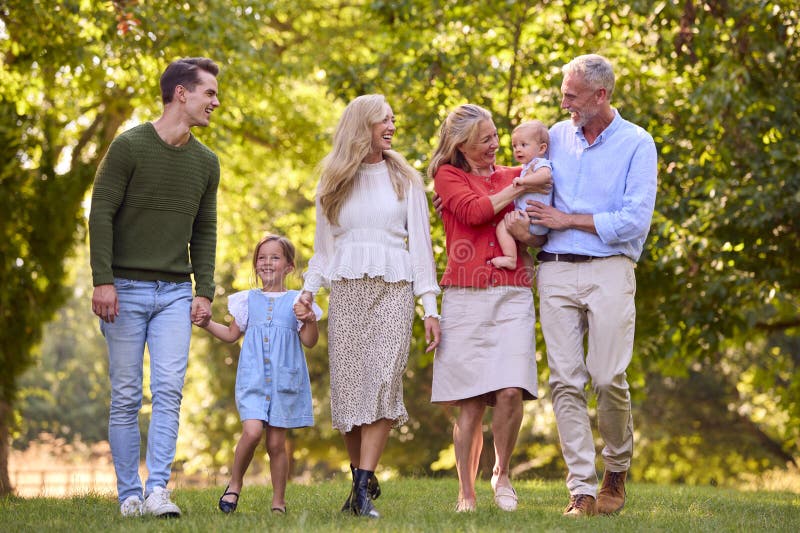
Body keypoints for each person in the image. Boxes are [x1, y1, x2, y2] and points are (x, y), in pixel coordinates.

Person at [509, 54, 658, 517]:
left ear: (601, 95)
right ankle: (582, 490)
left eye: (571, 95)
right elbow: (524, 187)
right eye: (563, 93)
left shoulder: (637, 143)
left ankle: (616, 469)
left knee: (608, 376)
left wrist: (568, 219)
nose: (563, 101)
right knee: (565, 382)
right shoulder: (552, 137)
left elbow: (634, 220)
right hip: (554, 268)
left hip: (611, 268)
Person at [88, 57, 221, 518]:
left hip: (174, 294)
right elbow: (100, 214)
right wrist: (102, 280)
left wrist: (204, 289)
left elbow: (205, 229)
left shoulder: (207, 162)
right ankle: (129, 496)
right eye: (209, 92)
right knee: (126, 394)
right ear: (181, 93)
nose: (216, 102)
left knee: (169, 390)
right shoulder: (128, 147)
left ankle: (158, 489)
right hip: (123, 288)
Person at [299, 94, 441, 519]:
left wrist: (429, 307)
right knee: (349, 389)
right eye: (384, 120)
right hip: (346, 290)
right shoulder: (333, 180)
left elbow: (422, 247)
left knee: (382, 378)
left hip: (394, 288)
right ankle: (359, 484)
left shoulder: (406, 179)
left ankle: (361, 487)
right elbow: (323, 249)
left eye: (393, 119)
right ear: (362, 126)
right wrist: (308, 291)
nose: (391, 126)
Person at [427, 104, 552, 513]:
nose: (497, 145)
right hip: (465, 295)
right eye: (486, 140)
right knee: (470, 401)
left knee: (512, 391)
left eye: (497, 136)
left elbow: (546, 185)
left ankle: (502, 473)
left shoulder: (510, 173)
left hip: (513, 291)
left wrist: (527, 233)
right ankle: (466, 491)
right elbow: (475, 211)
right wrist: (521, 186)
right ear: (460, 144)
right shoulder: (449, 176)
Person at [197, 234, 320, 515]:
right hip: (252, 381)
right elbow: (231, 335)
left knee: (277, 443)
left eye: (275, 257)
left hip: (283, 383)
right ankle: (235, 483)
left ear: (288, 266)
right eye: (262, 258)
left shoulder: (297, 301)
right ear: (255, 265)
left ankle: (279, 501)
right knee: (252, 433)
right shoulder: (246, 300)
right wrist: (206, 324)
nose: (267, 262)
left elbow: (309, 341)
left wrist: (310, 319)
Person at [491, 120, 553, 269]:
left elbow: (545, 176)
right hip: (530, 219)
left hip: (533, 217)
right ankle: (522, 261)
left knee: (502, 226)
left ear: (541, 148)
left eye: (523, 145)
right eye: (515, 146)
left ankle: (510, 258)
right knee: (518, 241)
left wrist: (524, 181)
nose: (518, 149)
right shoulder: (527, 166)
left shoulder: (540, 163)